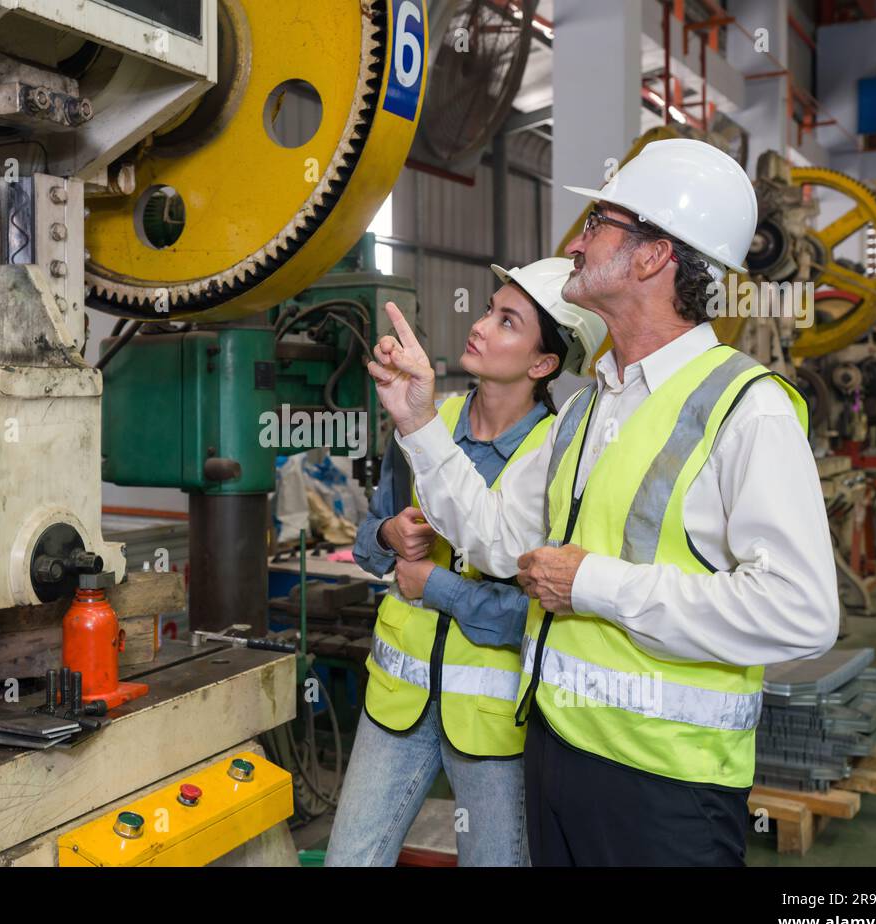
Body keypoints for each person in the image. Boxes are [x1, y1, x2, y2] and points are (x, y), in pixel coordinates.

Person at [367, 139, 839, 866]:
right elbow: (495, 538)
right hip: (555, 758)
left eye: (598, 223)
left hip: (666, 788)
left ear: (653, 257)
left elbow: (802, 610)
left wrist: (594, 583)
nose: (578, 241)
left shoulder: (747, 409)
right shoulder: (588, 412)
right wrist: (420, 424)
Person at [325, 259, 605, 867]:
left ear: (542, 365)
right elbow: (367, 547)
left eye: (507, 321)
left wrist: (439, 587)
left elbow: (535, 616)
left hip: (490, 722)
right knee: (349, 859)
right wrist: (390, 536)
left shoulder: (556, 460)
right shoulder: (427, 419)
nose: (479, 326)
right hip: (395, 703)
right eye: (486, 309)